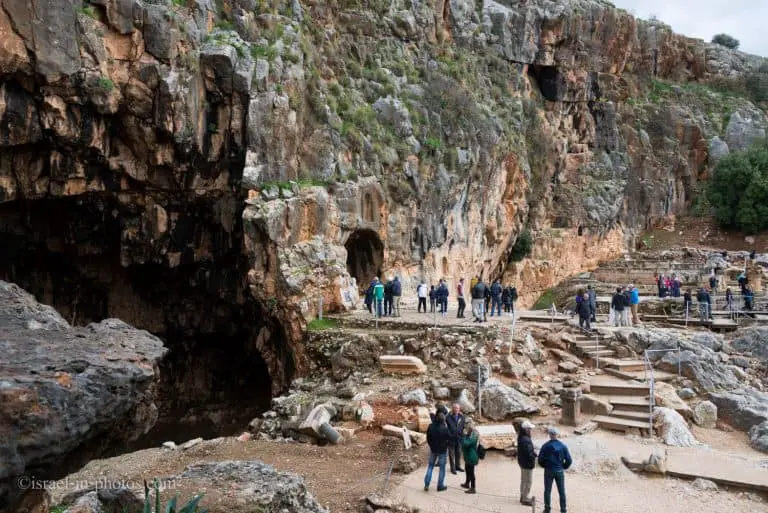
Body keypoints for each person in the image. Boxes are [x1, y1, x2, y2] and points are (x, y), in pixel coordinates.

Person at [538, 426, 572, 513]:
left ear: (549, 435)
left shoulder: (545, 446)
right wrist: (564, 466)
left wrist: (545, 465)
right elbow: (569, 460)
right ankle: (563, 510)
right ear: (557, 434)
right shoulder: (563, 446)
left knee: (547, 491)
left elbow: (540, 460)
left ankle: (547, 509)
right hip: (559, 470)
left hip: (549, 470)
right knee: (561, 491)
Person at [423, 408, 450, 492]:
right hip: (442, 451)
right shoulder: (445, 428)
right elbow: (448, 439)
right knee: (442, 468)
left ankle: (426, 484)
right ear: (443, 418)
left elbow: (428, 438)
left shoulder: (431, 426)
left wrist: (431, 446)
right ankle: (440, 486)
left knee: (430, 466)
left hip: (433, 449)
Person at [517, 420, 537, 506]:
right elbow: (529, 453)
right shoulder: (526, 440)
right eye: (529, 429)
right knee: (528, 481)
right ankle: (525, 498)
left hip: (522, 463)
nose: (530, 430)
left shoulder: (521, 438)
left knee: (523, 480)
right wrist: (534, 456)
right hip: (527, 463)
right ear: (526, 429)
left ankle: (522, 496)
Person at [460, 419, 480, 494]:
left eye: (467, 426)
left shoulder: (474, 434)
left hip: (472, 457)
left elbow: (466, 443)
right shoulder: (470, 433)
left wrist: (463, 437)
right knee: (467, 470)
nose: (466, 428)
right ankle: (467, 483)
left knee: (471, 473)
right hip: (468, 456)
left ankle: (473, 488)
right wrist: (465, 436)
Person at [445, 403, 465, 474]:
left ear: (459, 409)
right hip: (451, 439)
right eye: (455, 408)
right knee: (451, 454)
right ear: (452, 409)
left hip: (459, 438)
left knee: (459, 453)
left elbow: (463, 427)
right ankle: (452, 468)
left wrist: (462, 435)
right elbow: (446, 428)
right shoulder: (448, 417)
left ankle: (458, 466)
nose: (456, 409)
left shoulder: (462, 417)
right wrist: (449, 435)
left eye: (458, 408)